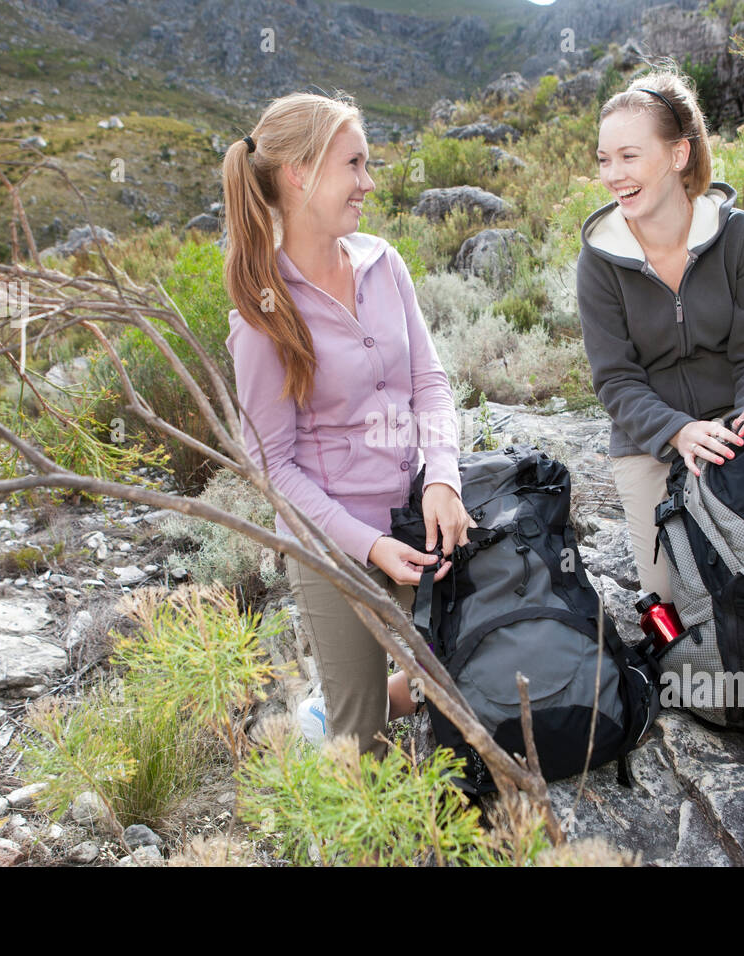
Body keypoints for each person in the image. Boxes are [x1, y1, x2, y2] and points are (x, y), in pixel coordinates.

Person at [221, 91, 475, 760]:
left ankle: (389, 690)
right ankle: (336, 716)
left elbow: (431, 383)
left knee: (479, 664)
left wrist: (442, 480)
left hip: (417, 513)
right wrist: (367, 546)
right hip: (332, 545)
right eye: (354, 164)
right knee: (361, 743)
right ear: (301, 173)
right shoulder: (263, 313)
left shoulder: (383, 263)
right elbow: (273, 468)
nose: (368, 182)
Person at [576, 69, 744, 605]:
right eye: (604, 159)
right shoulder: (599, 260)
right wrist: (678, 432)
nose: (613, 174)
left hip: (735, 429)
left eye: (629, 156)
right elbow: (616, 379)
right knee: (675, 596)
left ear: (678, 155)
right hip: (649, 443)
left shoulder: (742, 237)